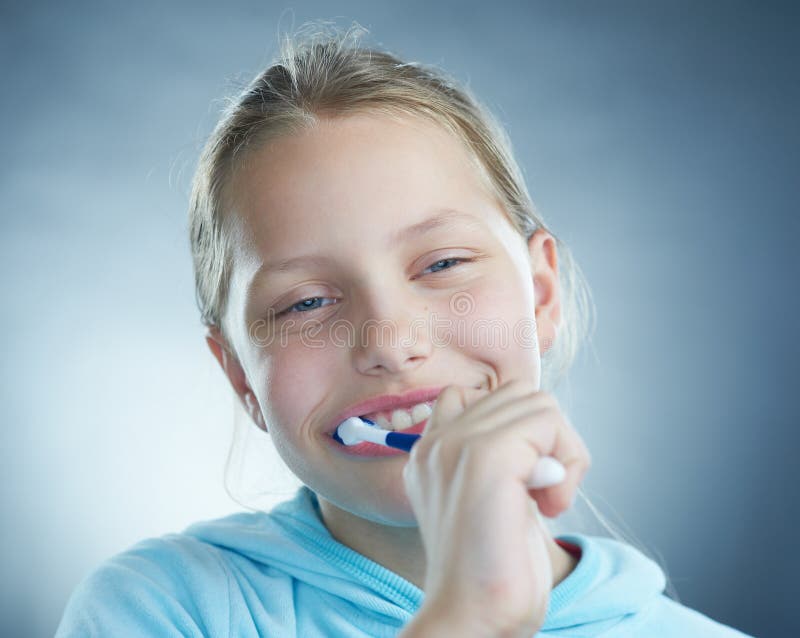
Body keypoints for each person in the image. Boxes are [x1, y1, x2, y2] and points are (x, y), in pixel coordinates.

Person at [56, 22, 753, 638]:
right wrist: (467, 620)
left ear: (541, 294)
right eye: (305, 303)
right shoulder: (159, 611)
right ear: (239, 374)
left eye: (444, 263)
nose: (390, 342)